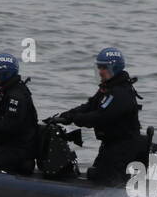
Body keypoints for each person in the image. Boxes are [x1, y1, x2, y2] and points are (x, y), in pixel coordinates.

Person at [51, 47, 144, 186]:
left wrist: (76, 119)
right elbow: (90, 106)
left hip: (123, 147)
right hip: (110, 145)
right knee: (94, 174)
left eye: (104, 67)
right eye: (99, 67)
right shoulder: (108, 88)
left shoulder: (120, 93)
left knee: (102, 178)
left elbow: (100, 117)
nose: (100, 71)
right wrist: (68, 116)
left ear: (114, 67)